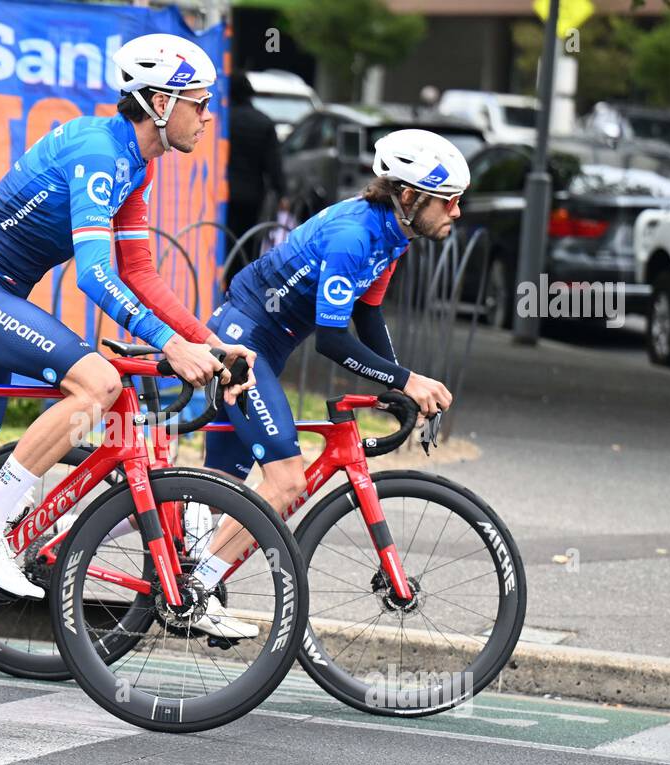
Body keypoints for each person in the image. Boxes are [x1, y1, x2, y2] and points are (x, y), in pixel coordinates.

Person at [0, 33, 255, 637]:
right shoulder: (101, 151)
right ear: (158, 102)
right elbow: (95, 278)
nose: (208, 116)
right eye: (198, 102)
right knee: (96, 382)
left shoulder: (135, 161)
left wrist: (207, 340)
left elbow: (139, 274)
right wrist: (171, 345)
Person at [196, 129, 468, 636]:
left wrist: (393, 390)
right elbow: (332, 342)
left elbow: (368, 316)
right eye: (448, 201)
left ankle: (175, 562)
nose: (456, 212)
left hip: (270, 343)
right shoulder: (355, 236)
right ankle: (196, 591)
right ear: (409, 197)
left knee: (217, 498)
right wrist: (407, 381)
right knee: (286, 480)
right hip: (245, 338)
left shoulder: (392, 236)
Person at [225, 71, 286, 281]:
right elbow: (273, 165)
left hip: (220, 194)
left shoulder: (222, 121)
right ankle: (240, 286)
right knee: (247, 244)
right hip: (251, 195)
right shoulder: (264, 122)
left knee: (222, 243)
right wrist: (281, 192)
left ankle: (221, 282)